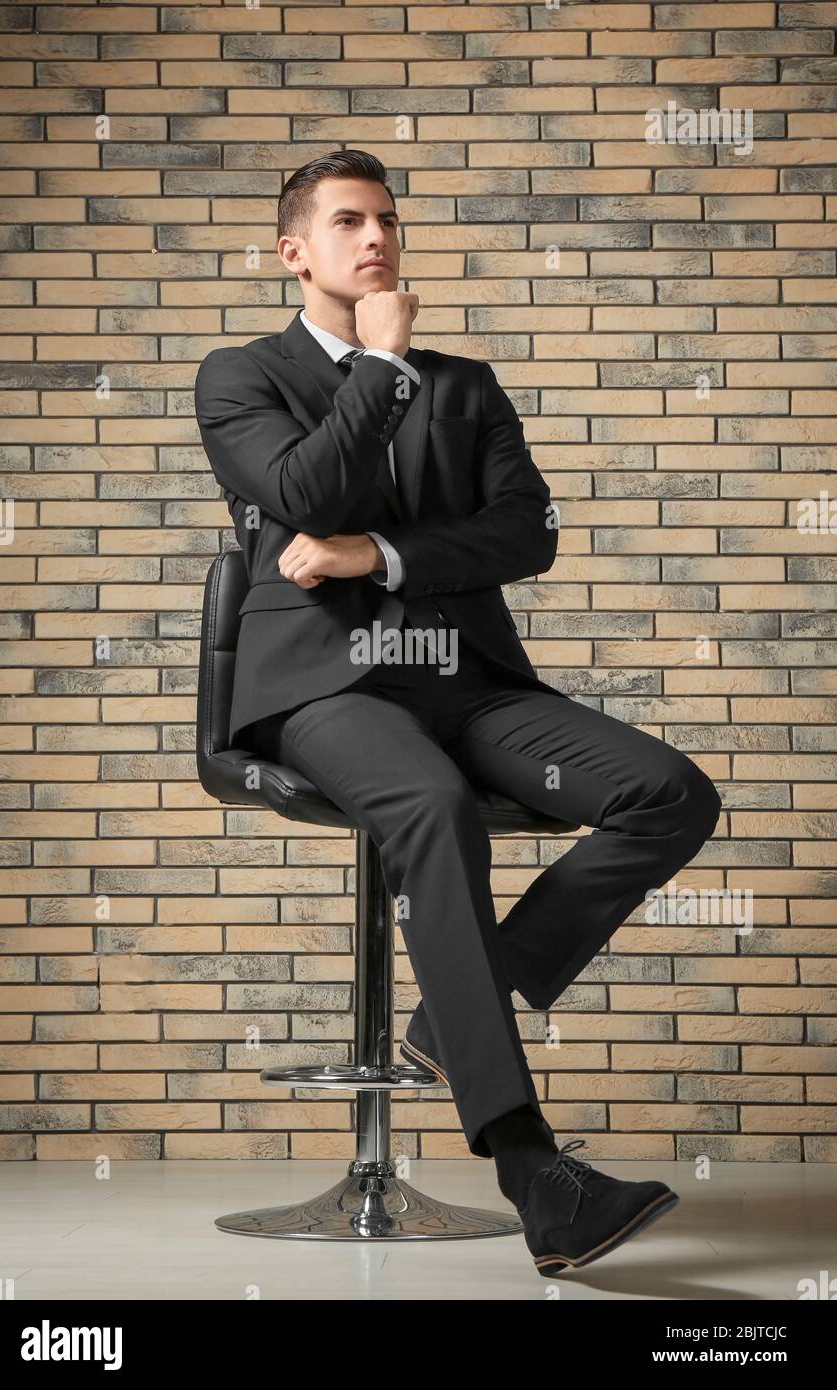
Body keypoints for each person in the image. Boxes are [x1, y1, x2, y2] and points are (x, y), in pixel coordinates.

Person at [194, 149, 722, 1277]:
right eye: (346, 221)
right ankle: (535, 1171)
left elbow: (523, 533)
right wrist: (379, 360)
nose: (375, 237)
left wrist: (377, 553)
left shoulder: (467, 384)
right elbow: (300, 495)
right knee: (435, 807)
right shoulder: (238, 378)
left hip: (467, 680)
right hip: (322, 688)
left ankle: (450, 1019)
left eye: (386, 219)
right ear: (294, 251)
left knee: (667, 791)